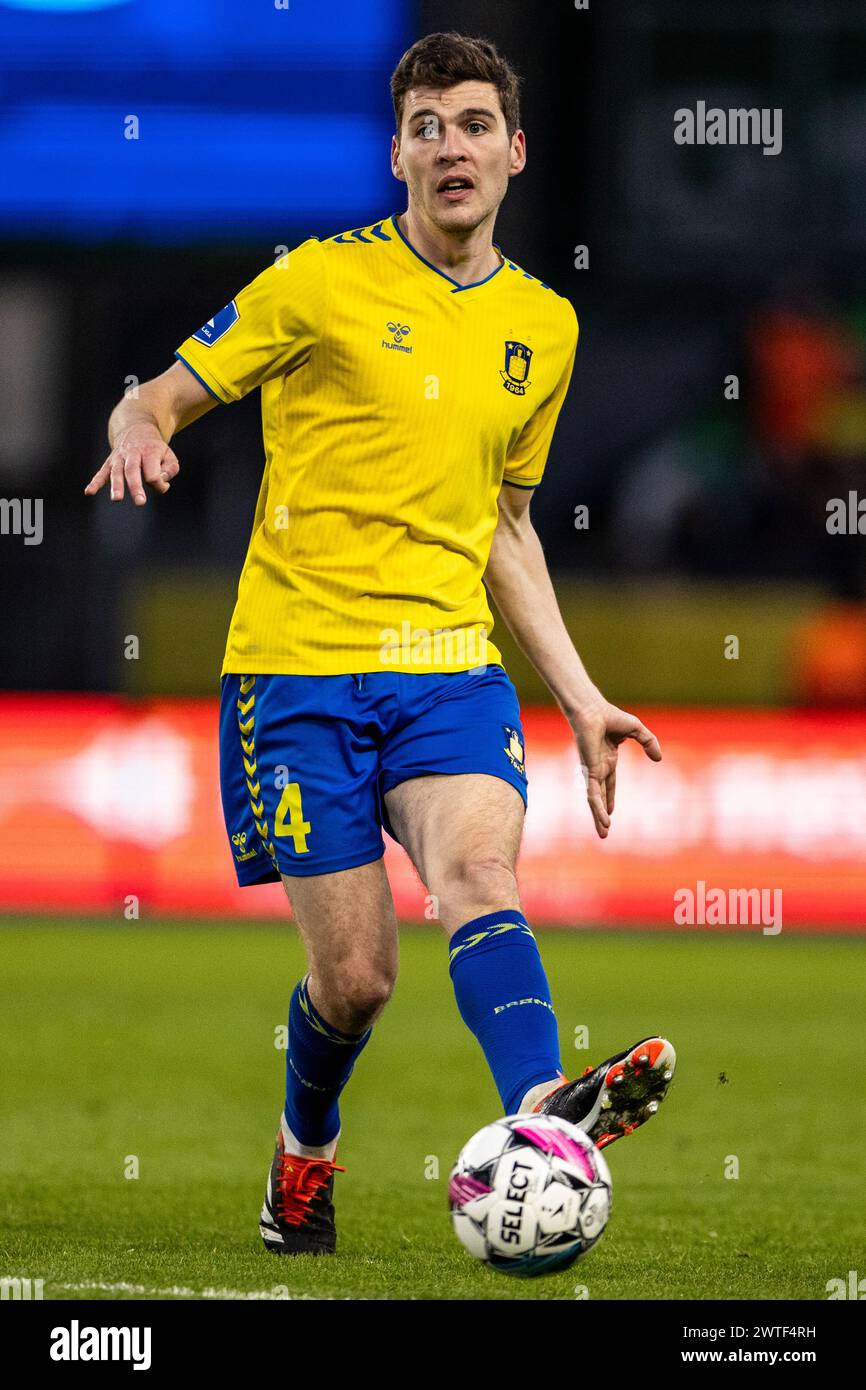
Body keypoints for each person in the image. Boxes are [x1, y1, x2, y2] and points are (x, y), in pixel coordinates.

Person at [85, 31, 675, 1257]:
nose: (447, 146)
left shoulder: (542, 328)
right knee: (355, 979)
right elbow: (160, 392)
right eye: (424, 127)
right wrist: (140, 428)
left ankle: (538, 1110)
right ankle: (303, 1157)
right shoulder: (314, 281)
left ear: (513, 153)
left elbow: (506, 525)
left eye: (470, 124)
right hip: (294, 670)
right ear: (395, 154)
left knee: (479, 879)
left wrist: (579, 695)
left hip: (447, 666)